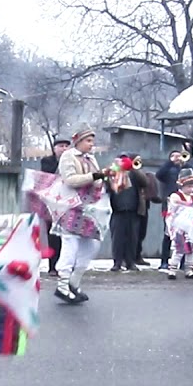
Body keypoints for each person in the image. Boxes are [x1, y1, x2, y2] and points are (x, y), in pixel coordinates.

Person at [54, 127, 111, 303]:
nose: (91, 145)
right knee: (70, 245)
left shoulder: (91, 158)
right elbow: (70, 179)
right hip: (72, 207)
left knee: (91, 245)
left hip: (89, 210)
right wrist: (94, 176)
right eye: (88, 141)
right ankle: (62, 285)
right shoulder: (68, 156)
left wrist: (104, 177)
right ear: (78, 141)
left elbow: (96, 180)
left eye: (92, 141)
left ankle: (74, 282)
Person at [106, 154, 146, 272]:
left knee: (132, 238)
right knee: (117, 239)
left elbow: (144, 182)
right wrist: (113, 170)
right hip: (117, 210)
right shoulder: (113, 174)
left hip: (133, 210)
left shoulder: (134, 174)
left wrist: (133, 168)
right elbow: (106, 186)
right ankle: (117, 262)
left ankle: (130, 262)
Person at [40, 139, 71, 276]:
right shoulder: (48, 161)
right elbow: (49, 175)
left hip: (68, 202)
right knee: (53, 235)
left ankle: (66, 266)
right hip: (52, 203)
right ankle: (52, 266)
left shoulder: (72, 161)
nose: (64, 149)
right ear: (54, 148)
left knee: (68, 235)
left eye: (66, 146)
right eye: (61, 146)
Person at [163, 168, 193, 279]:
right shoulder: (175, 197)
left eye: (192, 186)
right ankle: (172, 270)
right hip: (180, 228)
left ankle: (189, 269)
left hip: (191, 228)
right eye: (188, 186)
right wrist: (171, 228)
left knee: (191, 251)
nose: (191, 189)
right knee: (178, 250)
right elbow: (171, 213)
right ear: (182, 186)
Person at [154, 150, 186, 269]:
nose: (177, 158)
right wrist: (170, 162)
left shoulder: (183, 169)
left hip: (184, 204)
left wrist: (185, 163)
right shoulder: (167, 169)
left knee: (184, 234)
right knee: (168, 233)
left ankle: (183, 262)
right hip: (169, 204)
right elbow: (159, 174)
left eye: (179, 156)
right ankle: (164, 261)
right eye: (174, 156)